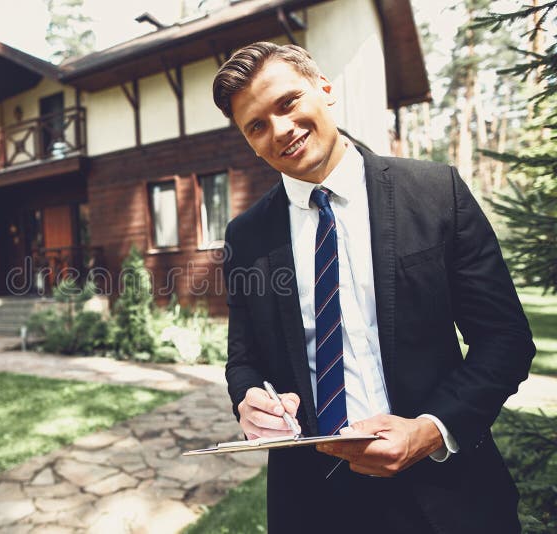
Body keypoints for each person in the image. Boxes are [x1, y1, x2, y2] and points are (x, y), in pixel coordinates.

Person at [213, 41, 535, 533]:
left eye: (288, 102)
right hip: (312, 504)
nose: (280, 129)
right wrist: (249, 399)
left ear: (324, 88)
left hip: (445, 494)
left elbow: (505, 339)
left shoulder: (435, 192)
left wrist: (432, 430)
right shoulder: (247, 235)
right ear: (249, 142)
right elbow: (244, 359)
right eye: (256, 126)